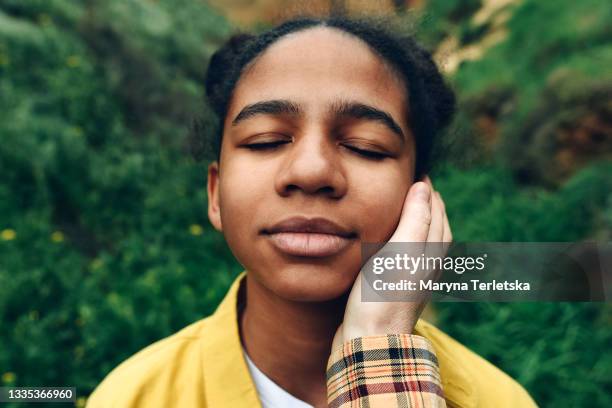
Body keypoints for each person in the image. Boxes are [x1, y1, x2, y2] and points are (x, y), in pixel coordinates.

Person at [88, 16, 537, 407]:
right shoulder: (130, 397)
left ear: (421, 199)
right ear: (216, 193)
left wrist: (379, 355)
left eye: (365, 147)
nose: (311, 170)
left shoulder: (501, 401)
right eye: (266, 140)